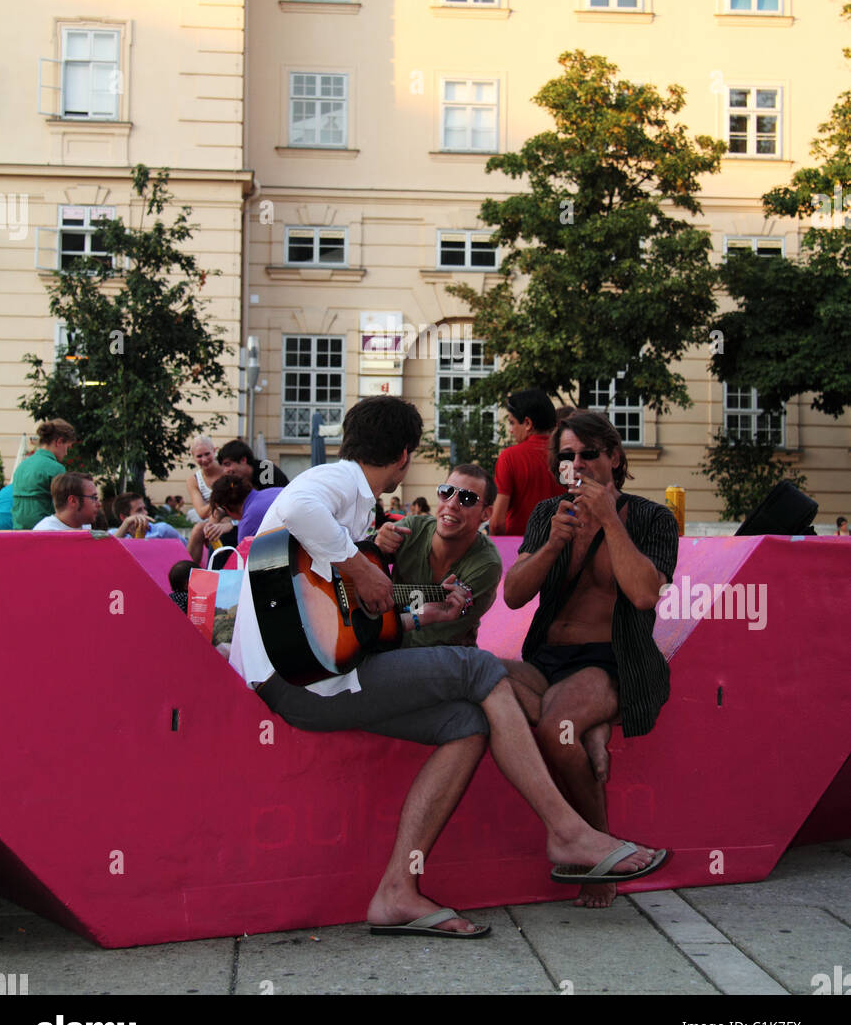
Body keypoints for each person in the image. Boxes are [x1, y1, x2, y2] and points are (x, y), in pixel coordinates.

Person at [230, 395, 667, 939]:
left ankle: (396, 892)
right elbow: (297, 510)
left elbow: (337, 618)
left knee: (468, 723)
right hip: (303, 680)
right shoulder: (340, 482)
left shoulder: (366, 509)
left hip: (312, 674)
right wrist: (358, 565)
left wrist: (411, 618)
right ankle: (566, 831)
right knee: (477, 668)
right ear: (405, 457)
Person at [502, 410, 678, 910]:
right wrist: (555, 542)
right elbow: (514, 596)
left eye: (589, 454)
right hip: (546, 658)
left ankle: (600, 851)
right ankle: (592, 732)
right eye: (567, 456)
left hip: (611, 659)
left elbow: (645, 594)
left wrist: (607, 519)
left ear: (615, 458)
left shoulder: (651, 518)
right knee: (483, 680)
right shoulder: (548, 515)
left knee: (558, 727)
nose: (577, 464)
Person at [374, 465, 502, 649]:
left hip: (443, 655)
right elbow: (358, 571)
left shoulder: (485, 565)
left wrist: (371, 636)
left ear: (486, 514)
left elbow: (437, 636)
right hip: (384, 640)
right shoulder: (412, 528)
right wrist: (377, 545)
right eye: (446, 492)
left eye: (467, 498)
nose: (451, 504)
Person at [488, 389, 559, 535]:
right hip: (561, 549)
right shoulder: (567, 457)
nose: (511, 430)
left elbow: (496, 523)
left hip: (519, 549)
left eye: (512, 423)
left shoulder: (509, 457)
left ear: (527, 423)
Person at [11, 419, 77, 530]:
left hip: (18, 531)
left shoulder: (22, 466)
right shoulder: (56, 468)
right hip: (44, 532)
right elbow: (65, 509)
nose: (66, 453)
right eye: (67, 447)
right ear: (59, 442)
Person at [32, 473, 100, 532]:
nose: (99, 504)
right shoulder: (45, 534)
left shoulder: (86, 527)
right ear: (73, 501)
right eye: (93, 498)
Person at [109, 492, 185, 541]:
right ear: (124, 517)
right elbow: (107, 551)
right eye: (139, 510)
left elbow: (188, 550)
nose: (145, 513)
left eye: (144, 508)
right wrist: (126, 524)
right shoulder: (114, 534)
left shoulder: (162, 530)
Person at [218, 440, 288, 490]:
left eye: (228, 464)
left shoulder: (266, 470)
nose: (225, 471)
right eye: (223, 466)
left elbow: (269, 498)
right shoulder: (234, 481)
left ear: (243, 460)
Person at [186, 436, 223, 523]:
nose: (204, 459)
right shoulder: (193, 480)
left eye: (207, 454)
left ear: (214, 451)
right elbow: (201, 513)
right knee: (198, 529)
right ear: (193, 457)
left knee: (216, 514)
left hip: (232, 518)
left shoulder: (227, 471)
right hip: (210, 520)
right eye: (199, 456)